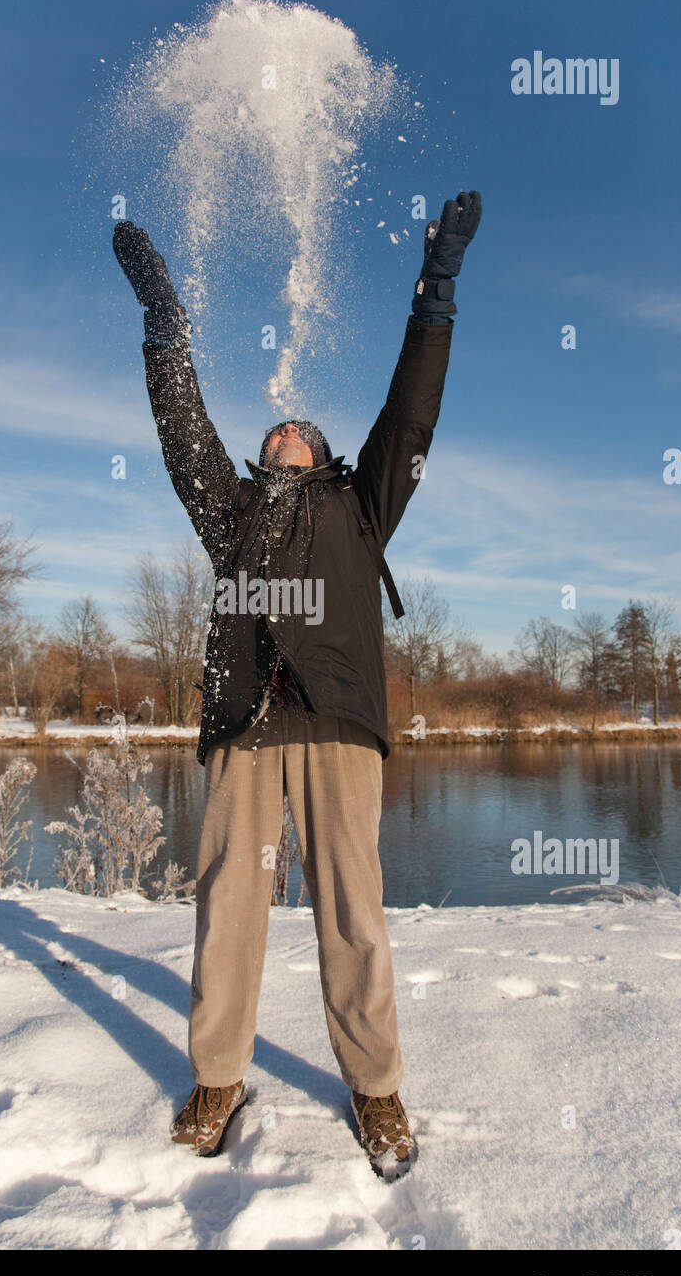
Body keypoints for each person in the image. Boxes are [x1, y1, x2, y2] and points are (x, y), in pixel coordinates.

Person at [112, 191, 481, 1181]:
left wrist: (432, 294)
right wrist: (163, 320)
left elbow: (412, 406)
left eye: (300, 426)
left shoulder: (361, 508)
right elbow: (179, 423)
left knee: (351, 908)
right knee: (227, 899)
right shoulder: (229, 511)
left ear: (320, 456)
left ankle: (376, 1089)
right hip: (242, 724)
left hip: (336, 723)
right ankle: (216, 1078)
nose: (284, 422)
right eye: (273, 423)